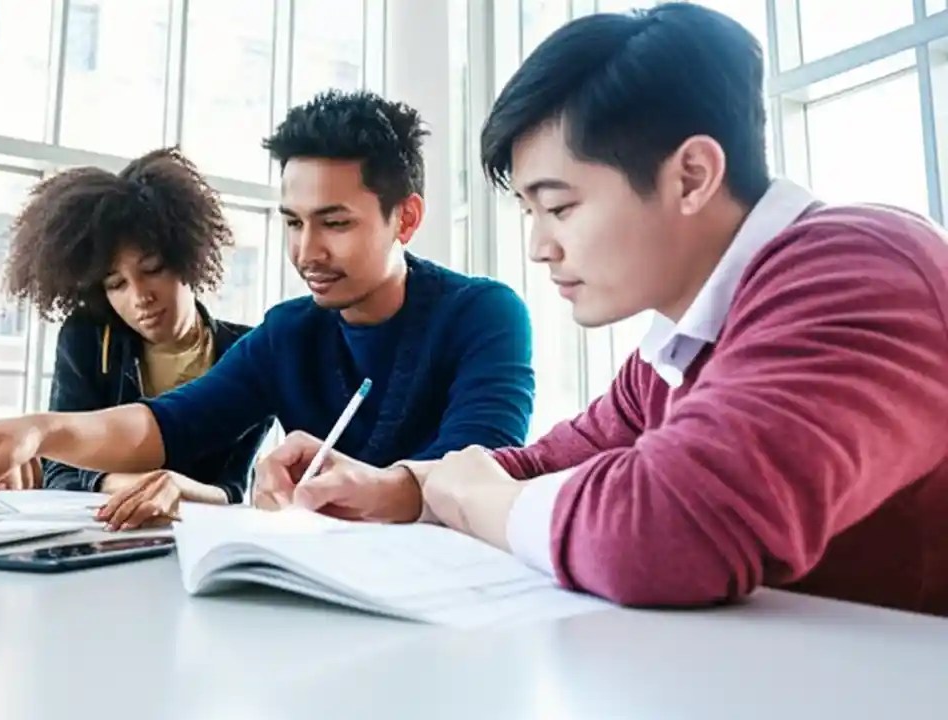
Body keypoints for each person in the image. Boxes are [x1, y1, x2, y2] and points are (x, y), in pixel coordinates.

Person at [262, 4, 948, 616]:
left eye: (559, 207)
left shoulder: (861, 273)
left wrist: (478, 500)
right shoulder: (680, 343)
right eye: (530, 212)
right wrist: (398, 488)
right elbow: (543, 464)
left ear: (692, 176)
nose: (539, 246)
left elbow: (669, 529)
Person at [0, 89, 536, 531]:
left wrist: (376, 488)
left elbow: (484, 462)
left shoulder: (484, 315)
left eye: (334, 222)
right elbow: (164, 425)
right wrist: (35, 430)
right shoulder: (288, 334)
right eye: (291, 223)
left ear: (407, 218)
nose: (307, 251)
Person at [0, 147, 272, 519]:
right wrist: (145, 487)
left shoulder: (247, 351)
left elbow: (232, 489)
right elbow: (61, 471)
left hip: (200, 539)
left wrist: (176, 488)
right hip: (105, 531)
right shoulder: (88, 339)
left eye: (153, 268)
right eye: (116, 284)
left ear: (187, 259)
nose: (141, 297)